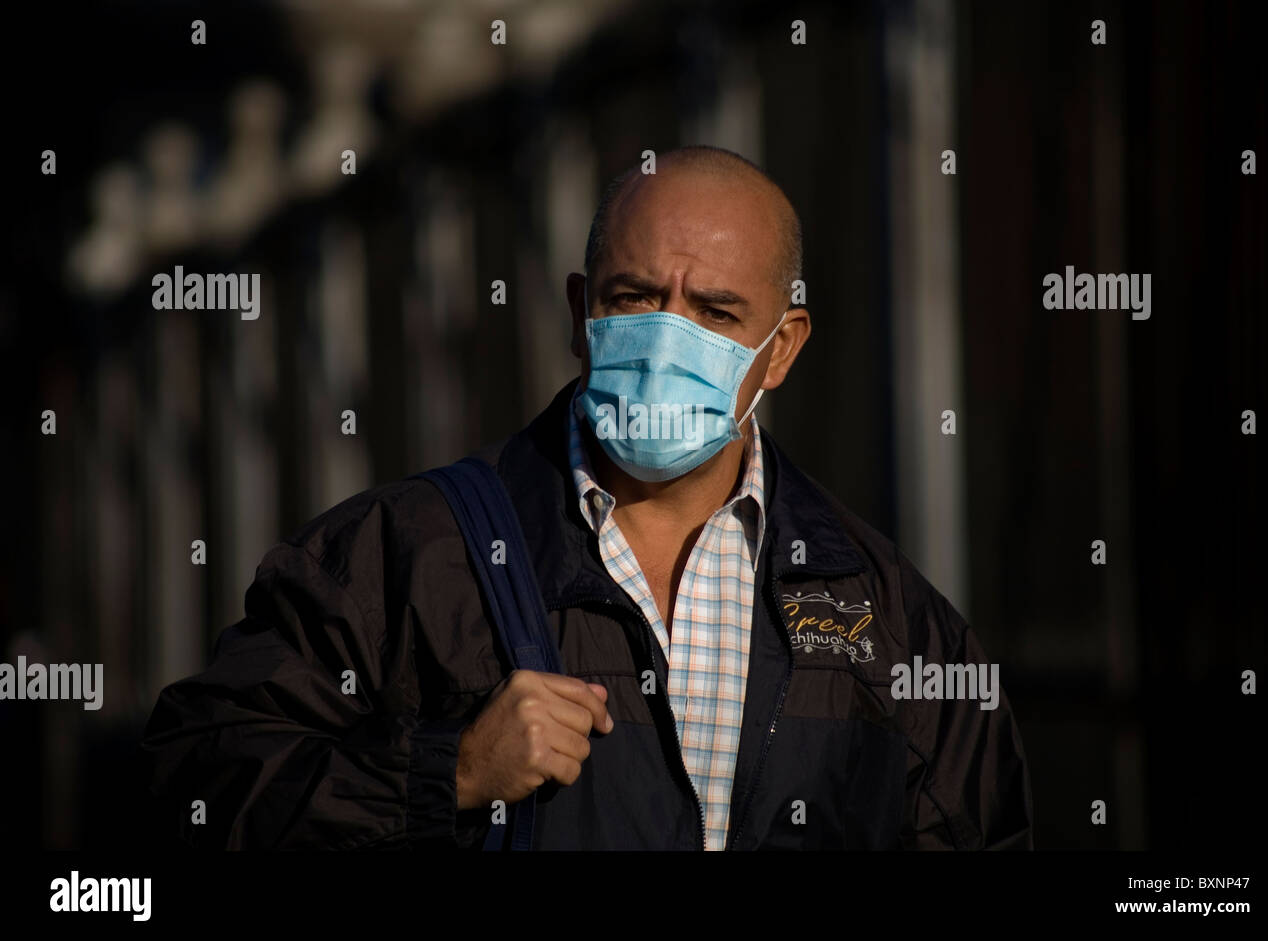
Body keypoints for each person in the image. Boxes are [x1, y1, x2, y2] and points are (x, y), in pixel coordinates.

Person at [140, 145, 1032, 850]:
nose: (664, 340)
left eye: (715, 313)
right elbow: (195, 783)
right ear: (580, 312)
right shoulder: (405, 557)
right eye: (636, 296)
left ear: (783, 346)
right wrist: (444, 775)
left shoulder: (890, 619)